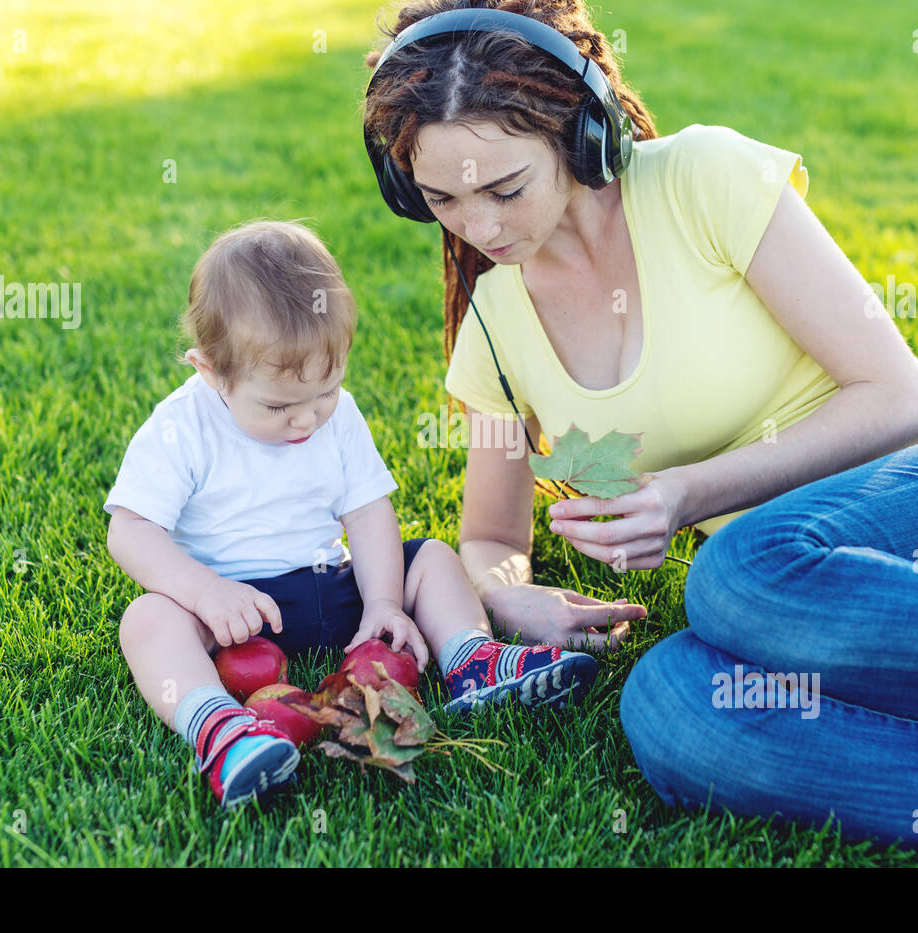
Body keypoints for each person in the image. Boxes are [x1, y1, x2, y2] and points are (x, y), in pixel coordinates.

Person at [361, 0, 918, 853]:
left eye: (505, 188)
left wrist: (686, 494)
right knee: (671, 703)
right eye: (443, 200)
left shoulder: (701, 180)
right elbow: (491, 531)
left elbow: (895, 396)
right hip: (845, 619)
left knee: (730, 574)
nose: (483, 227)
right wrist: (506, 592)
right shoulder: (495, 327)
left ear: (580, 132)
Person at [103, 219, 597, 809]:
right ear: (210, 372)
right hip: (229, 615)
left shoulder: (338, 417)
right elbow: (129, 531)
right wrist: (206, 593)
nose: (308, 420)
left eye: (326, 391)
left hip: (331, 591)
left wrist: (385, 601)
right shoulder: (181, 428)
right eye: (278, 405)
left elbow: (367, 513)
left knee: (432, 559)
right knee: (148, 619)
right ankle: (220, 728)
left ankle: (474, 658)